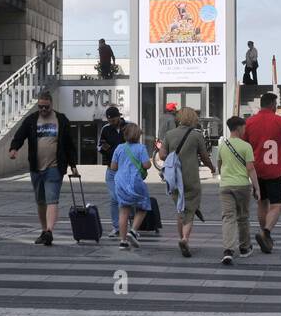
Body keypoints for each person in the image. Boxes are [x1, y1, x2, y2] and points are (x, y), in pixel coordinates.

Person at [8, 89, 78, 245]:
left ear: (51, 104)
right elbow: (20, 136)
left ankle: (49, 231)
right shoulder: (31, 120)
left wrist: (73, 165)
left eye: (46, 107)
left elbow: (69, 144)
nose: (43, 110)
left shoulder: (61, 119)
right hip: (36, 168)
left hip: (54, 167)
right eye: (40, 107)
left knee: (52, 200)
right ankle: (44, 230)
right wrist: (14, 149)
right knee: (41, 201)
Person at [243, 92, 281, 253]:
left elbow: (244, 147)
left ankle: (265, 233)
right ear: (273, 105)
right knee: (277, 205)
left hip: (257, 171)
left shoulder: (250, 122)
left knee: (262, 203)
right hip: (275, 171)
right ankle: (266, 232)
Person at [162, 106, 215, 258]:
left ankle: (181, 239)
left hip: (174, 178)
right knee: (190, 209)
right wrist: (212, 168)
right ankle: (185, 238)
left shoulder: (169, 134)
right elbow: (204, 156)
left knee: (180, 209)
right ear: (193, 119)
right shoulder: (196, 136)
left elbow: (162, 155)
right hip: (191, 177)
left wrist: (172, 157)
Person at [216, 116, 260, 265]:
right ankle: (244, 248)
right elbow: (250, 169)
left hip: (225, 186)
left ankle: (228, 250)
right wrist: (257, 188)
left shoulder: (222, 145)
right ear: (239, 128)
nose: (245, 129)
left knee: (228, 217)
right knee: (242, 217)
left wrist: (226, 177)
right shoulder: (246, 146)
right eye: (244, 127)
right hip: (242, 185)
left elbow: (219, 165)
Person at [108, 122, 152, 250]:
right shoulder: (141, 148)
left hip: (120, 182)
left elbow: (113, 167)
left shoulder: (119, 148)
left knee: (123, 211)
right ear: (138, 135)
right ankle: (133, 231)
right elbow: (146, 165)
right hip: (135, 181)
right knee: (143, 206)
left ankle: (122, 241)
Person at [98, 106, 126, 234]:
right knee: (115, 198)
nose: (111, 123)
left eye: (113, 120)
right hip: (111, 169)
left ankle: (128, 223)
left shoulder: (129, 127)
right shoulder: (106, 129)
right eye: (109, 121)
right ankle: (117, 226)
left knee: (126, 197)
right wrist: (109, 150)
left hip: (126, 169)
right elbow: (100, 146)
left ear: (119, 117)